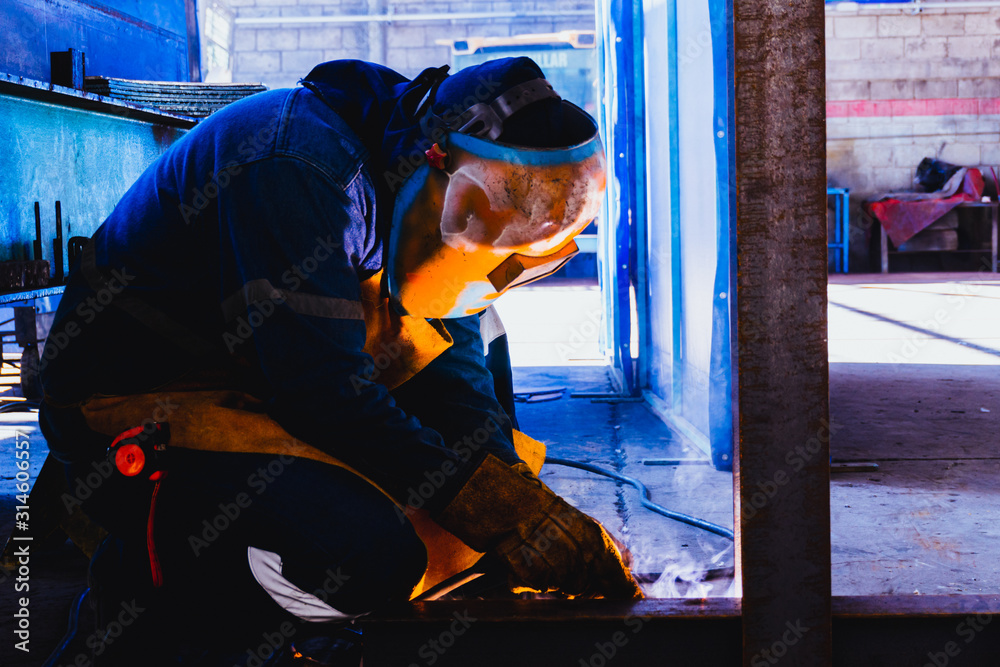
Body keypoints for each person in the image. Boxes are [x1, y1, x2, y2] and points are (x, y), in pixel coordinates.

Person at [39, 56, 641, 663]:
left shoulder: (418, 190)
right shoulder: (295, 166)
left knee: (483, 356)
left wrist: (520, 505)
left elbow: (453, 376)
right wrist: (495, 513)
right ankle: (154, 603)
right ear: (437, 159)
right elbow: (322, 393)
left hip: (260, 377)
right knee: (363, 557)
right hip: (136, 404)